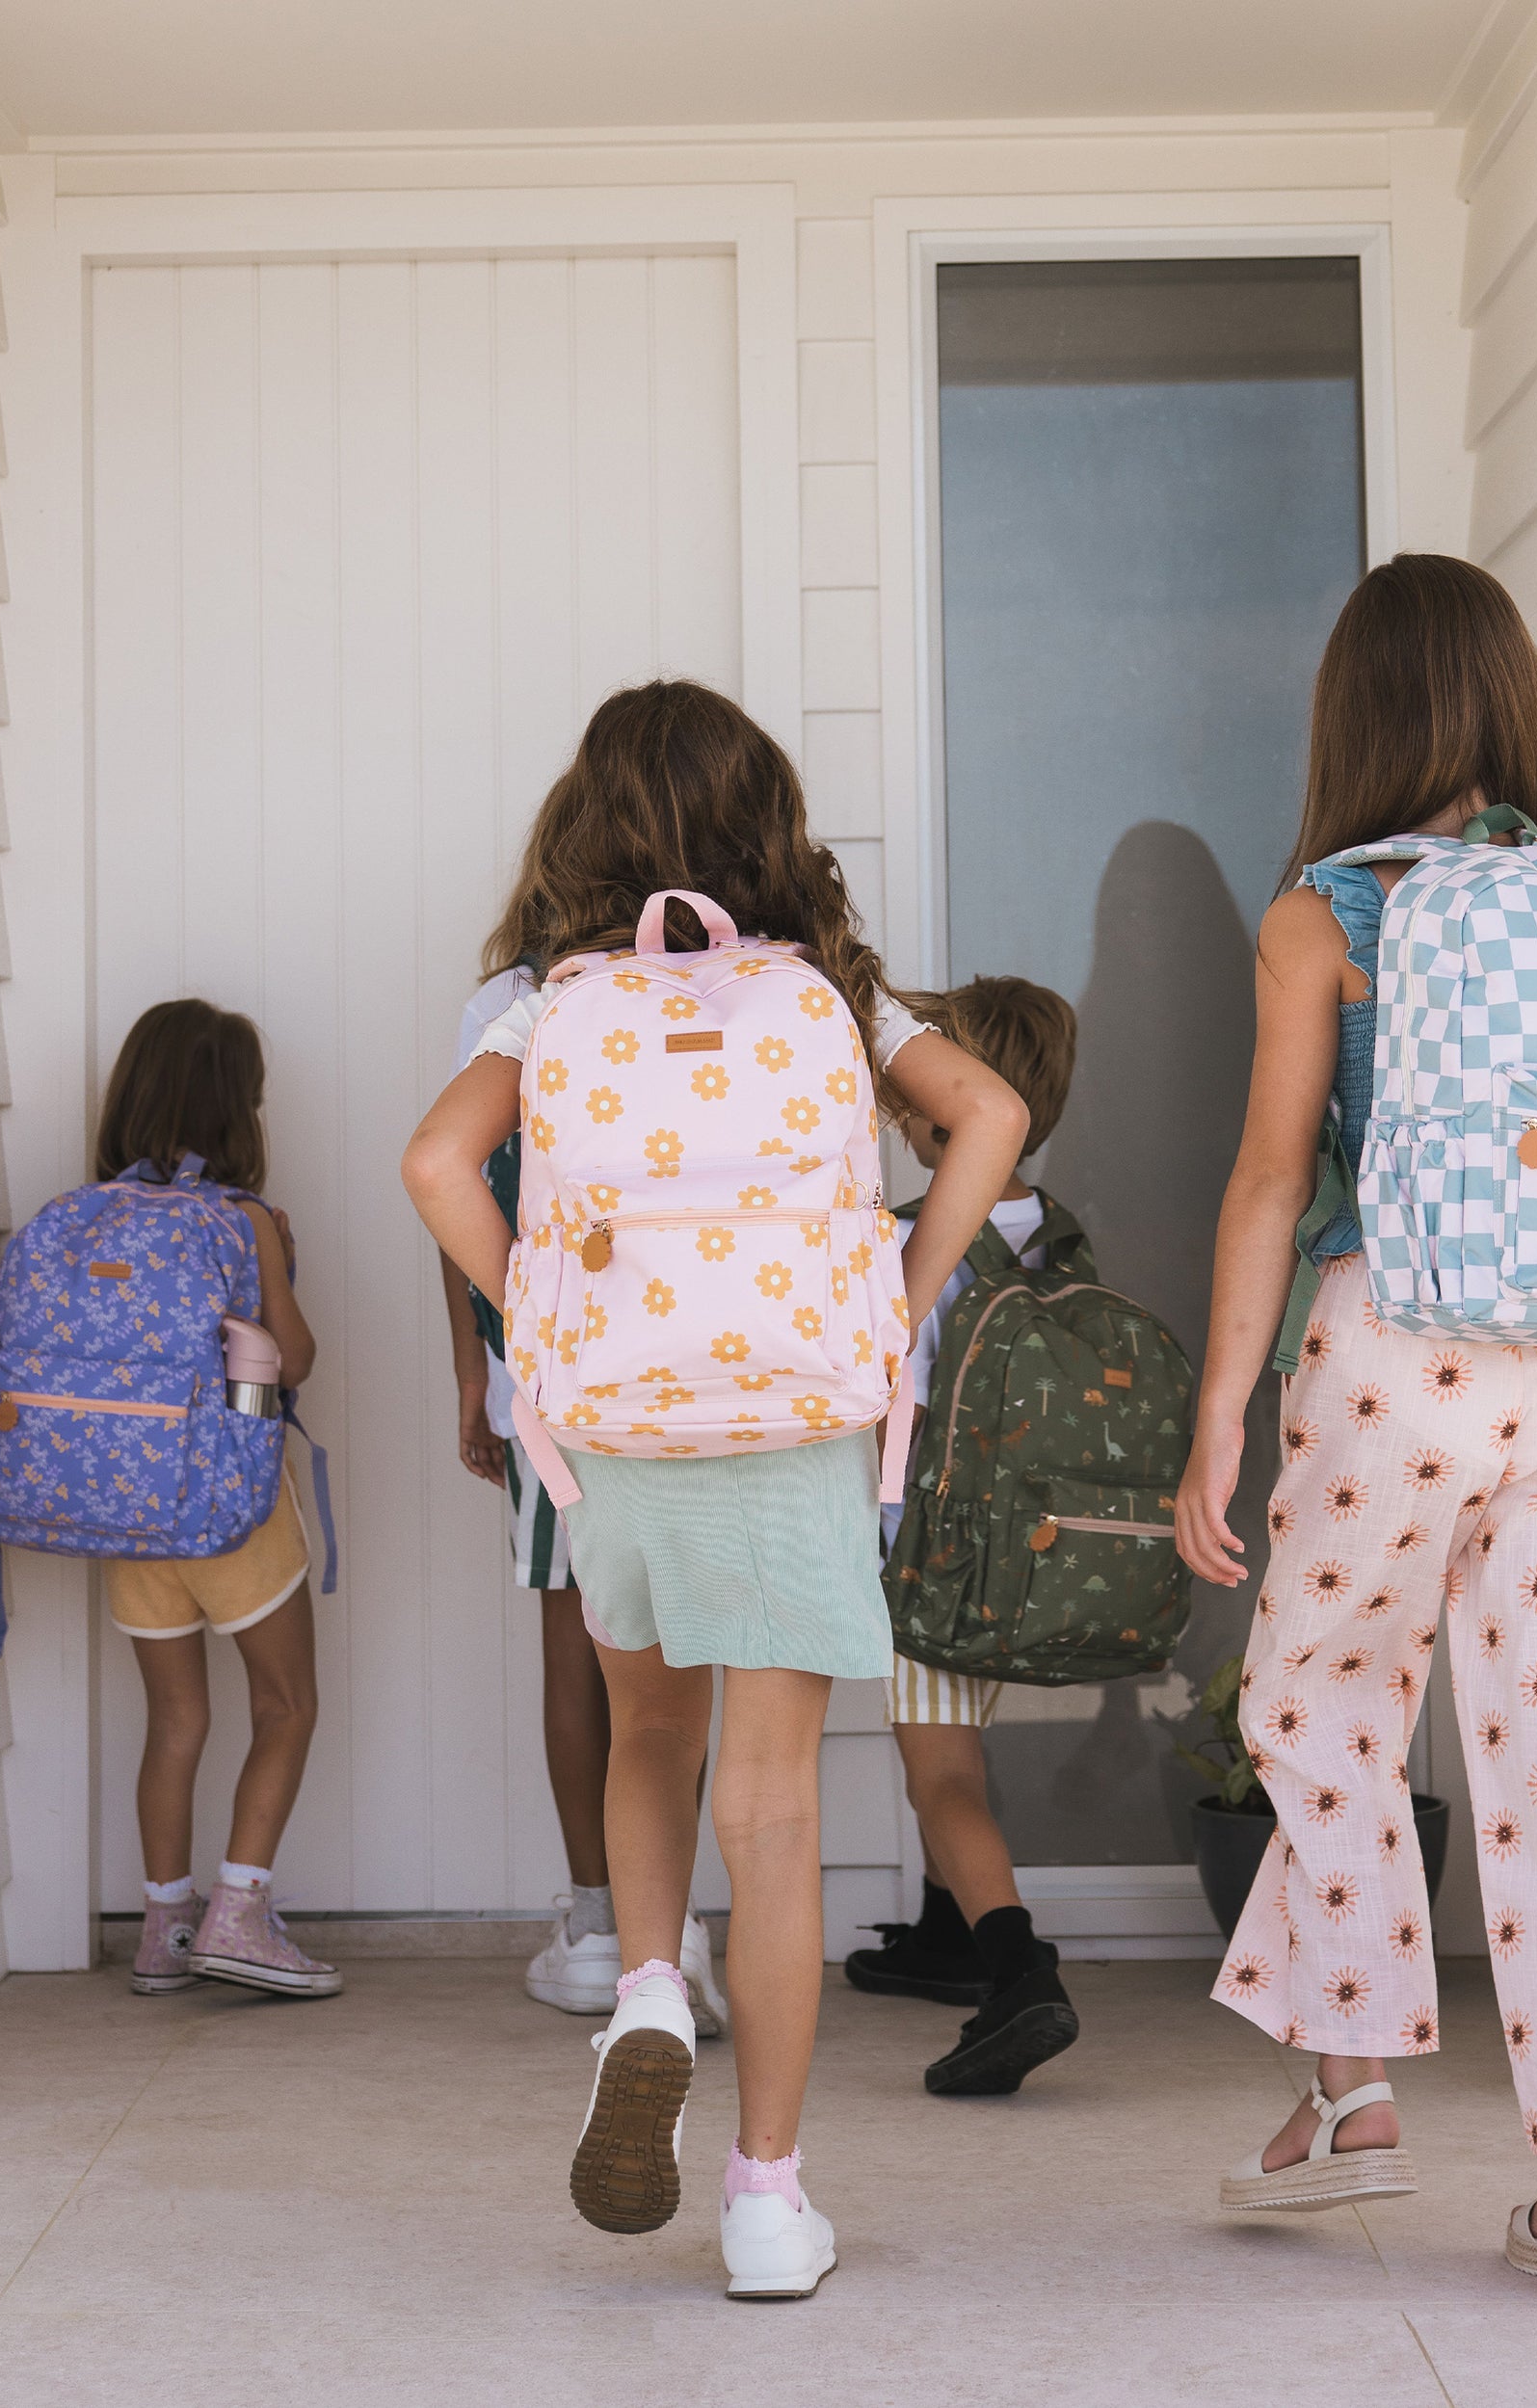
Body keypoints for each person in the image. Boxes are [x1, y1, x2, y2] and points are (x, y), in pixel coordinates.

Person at [403, 680, 1026, 2299]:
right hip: (796, 1418)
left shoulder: (550, 997)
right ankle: (763, 2199)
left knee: (648, 1740)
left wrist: (533, 1307)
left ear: (585, 825)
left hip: (621, 1419)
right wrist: (901, 1278)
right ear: (769, 819)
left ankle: (648, 1993)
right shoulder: (831, 987)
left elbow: (427, 1164)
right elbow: (991, 1111)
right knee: (774, 1804)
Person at [1172, 555, 1537, 2310]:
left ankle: (1352, 2083)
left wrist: (1217, 1414)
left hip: (1391, 1337)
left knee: (1318, 1698)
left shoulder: (1326, 909)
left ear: (1357, 714)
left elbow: (1265, 1174)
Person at [442, 965, 728, 2032]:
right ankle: (678, 1933)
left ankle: (606, 1927)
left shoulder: (520, 997)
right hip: (731, 1371)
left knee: (582, 1642)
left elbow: (460, 1175)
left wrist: (483, 1371)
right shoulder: (747, 973)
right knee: (682, 1658)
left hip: (562, 1378)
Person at [844, 975, 1082, 2095]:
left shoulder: (911, 1244)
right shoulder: (1064, 1240)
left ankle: (1016, 1973)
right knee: (952, 1746)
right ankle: (947, 1937)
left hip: (925, 1547)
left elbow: (863, 1378)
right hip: (1025, 1551)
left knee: (941, 1777)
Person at [102, 1001, 341, 2002]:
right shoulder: (241, 1222)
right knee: (286, 1705)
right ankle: (239, 1914)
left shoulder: (93, 1214)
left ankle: (164, 1926)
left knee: (175, 1722)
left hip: (124, 1509)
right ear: (236, 1110)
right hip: (230, 1508)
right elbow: (293, 1360)